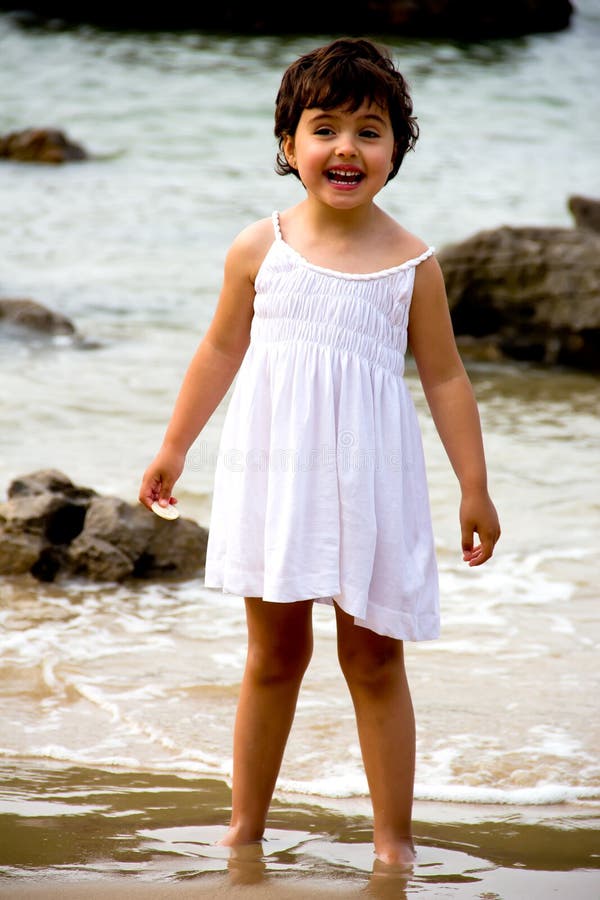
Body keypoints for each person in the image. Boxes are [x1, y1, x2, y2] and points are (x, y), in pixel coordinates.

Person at [139, 36, 500, 867]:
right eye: (325, 128)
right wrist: (174, 446)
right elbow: (220, 351)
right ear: (289, 146)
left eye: (369, 131)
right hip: (276, 471)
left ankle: (393, 845)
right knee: (275, 653)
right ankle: (245, 830)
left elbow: (446, 380)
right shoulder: (257, 246)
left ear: (396, 152)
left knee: (374, 656)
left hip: (371, 480)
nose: (346, 147)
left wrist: (473, 487)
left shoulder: (413, 264)